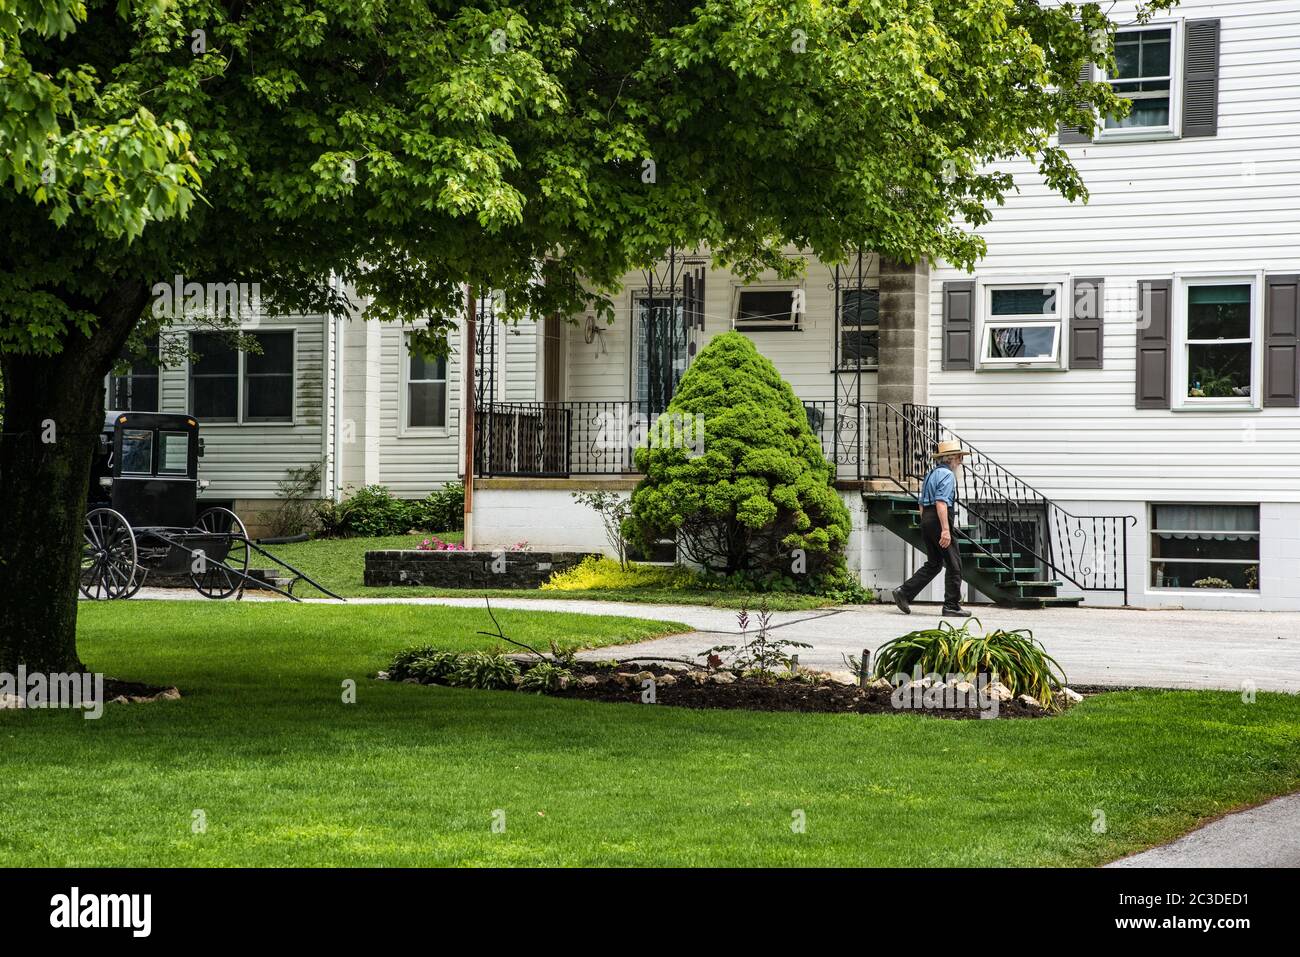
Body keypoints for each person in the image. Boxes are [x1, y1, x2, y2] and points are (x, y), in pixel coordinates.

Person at [892, 440, 970, 617]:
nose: (961, 462)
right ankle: (951, 605)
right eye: (960, 458)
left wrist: (927, 523)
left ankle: (904, 592)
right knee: (954, 564)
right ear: (952, 458)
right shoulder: (948, 476)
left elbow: (921, 503)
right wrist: (944, 529)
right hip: (938, 519)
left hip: (927, 519)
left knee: (934, 564)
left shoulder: (931, 474)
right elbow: (941, 502)